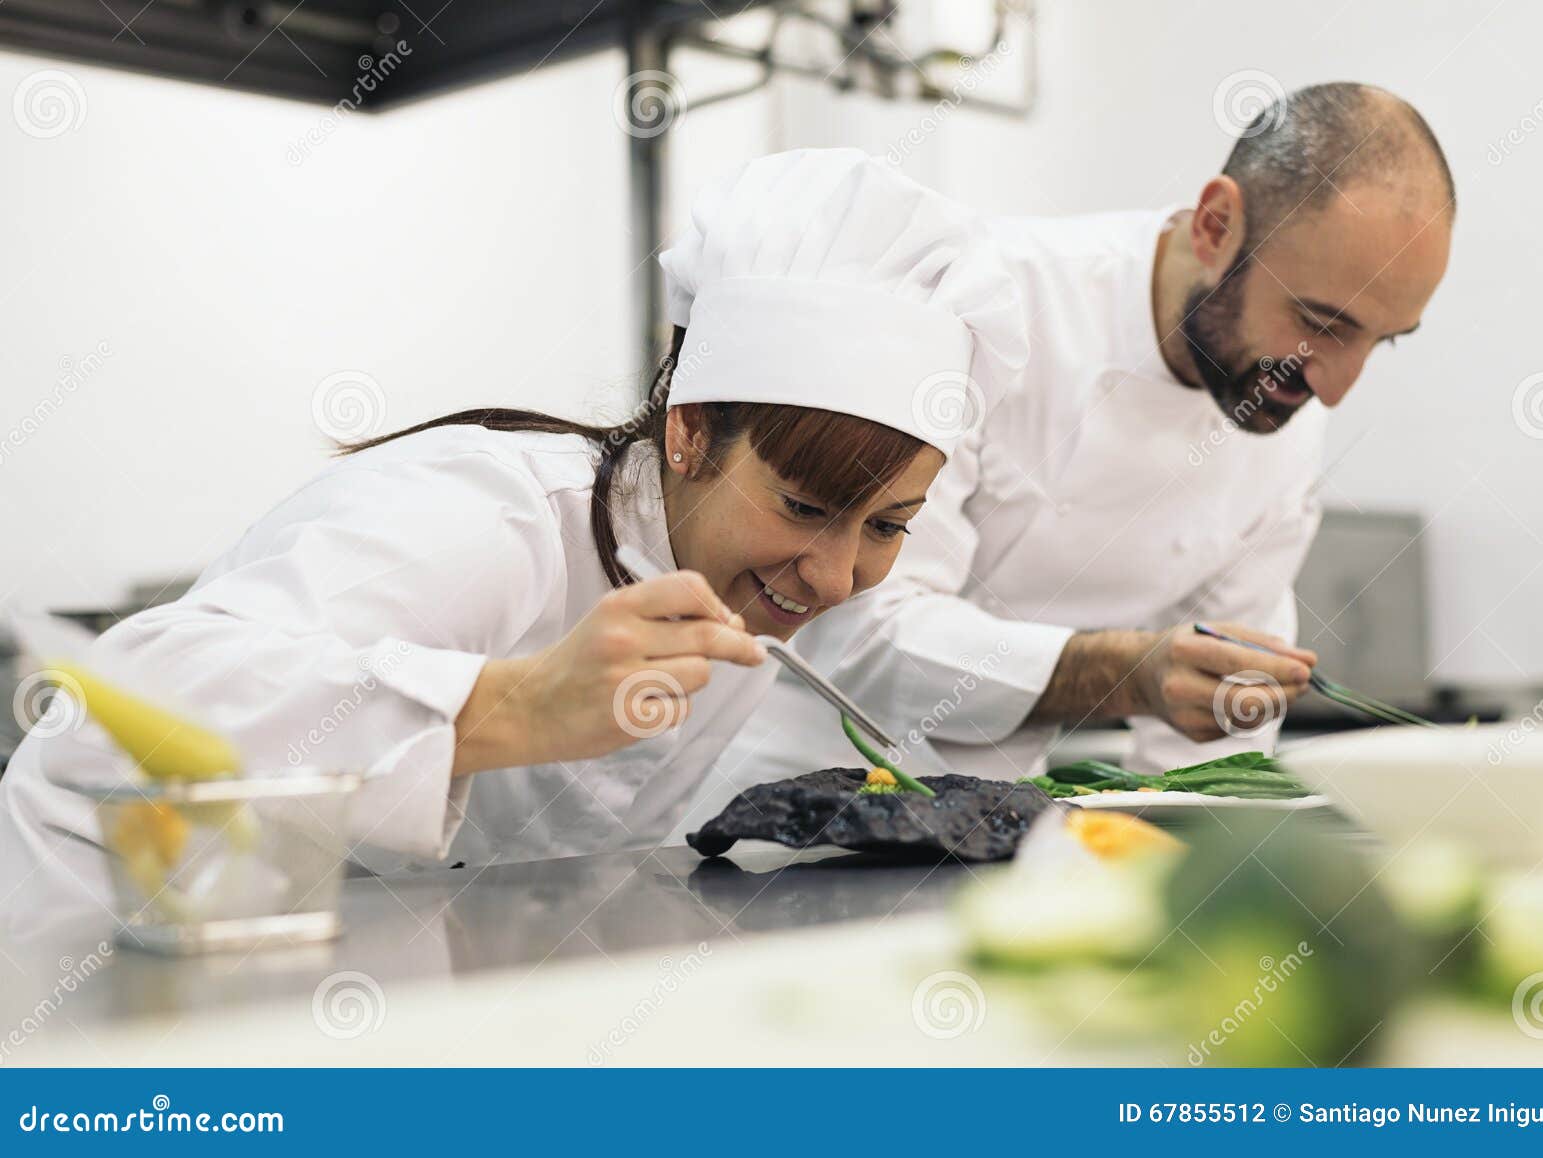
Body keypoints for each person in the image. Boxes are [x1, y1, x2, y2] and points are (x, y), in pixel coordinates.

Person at [0, 148, 1027, 923]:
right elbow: (138, 689)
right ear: (689, 433)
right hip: (101, 954)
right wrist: (512, 706)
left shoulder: (722, 581)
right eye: (804, 507)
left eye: (887, 525)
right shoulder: (483, 512)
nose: (838, 573)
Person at [728, 82, 1455, 783]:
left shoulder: (1281, 408)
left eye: (1381, 341)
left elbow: (1210, 745)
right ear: (1214, 226)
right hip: (801, 809)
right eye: (1320, 324)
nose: (1335, 384)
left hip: (1004, 826)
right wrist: (1124, 673)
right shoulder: (984, 303)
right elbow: (859, 633)